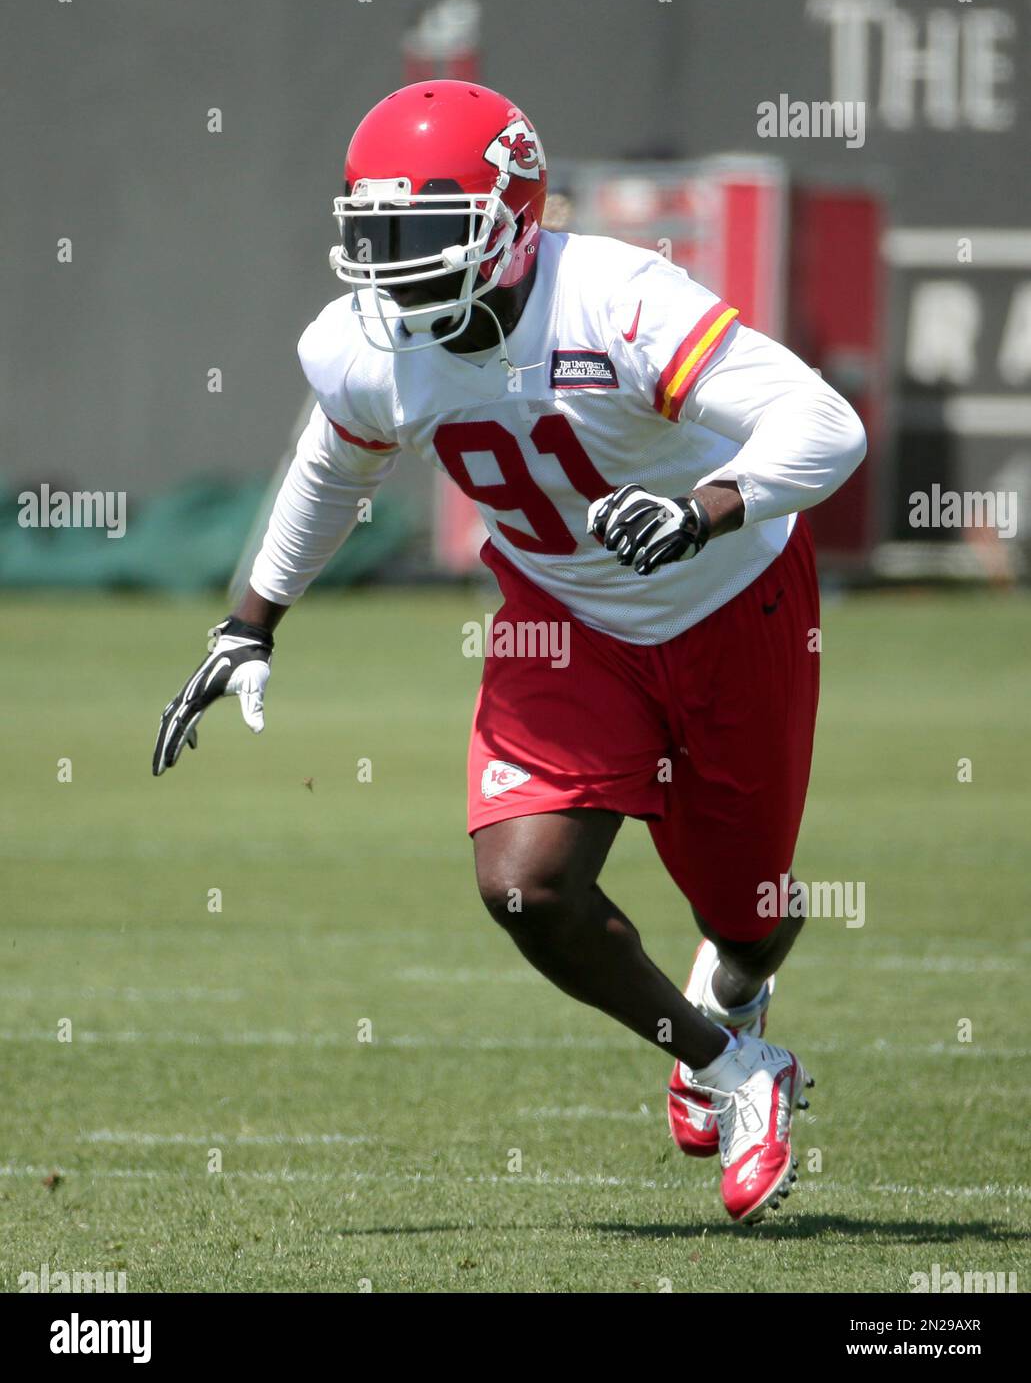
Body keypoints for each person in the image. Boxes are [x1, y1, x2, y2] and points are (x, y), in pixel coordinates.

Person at [153, 80, 867, 1223]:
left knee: (749, 913)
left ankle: (735, 995)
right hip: (562, 618)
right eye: (373, 237)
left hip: (733, 605)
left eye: (422, 237)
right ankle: (735, 1071)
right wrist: (251, 619)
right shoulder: (361, 343)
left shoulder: (617, 297)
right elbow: (334, 471)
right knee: (525, 886)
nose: (391, 270)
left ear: (512, 218)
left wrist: (711, 502)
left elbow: (827, 426)